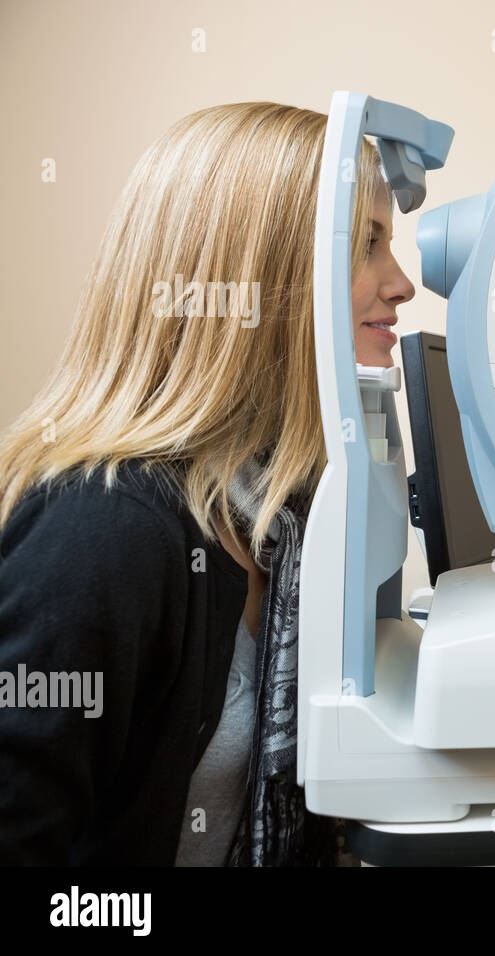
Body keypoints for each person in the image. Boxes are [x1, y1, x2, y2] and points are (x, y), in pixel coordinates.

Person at [0, 101, 416, 865]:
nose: (402, 284)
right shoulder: (99, 532)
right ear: (259, 280)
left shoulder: (282, 511)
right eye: (368, 245)